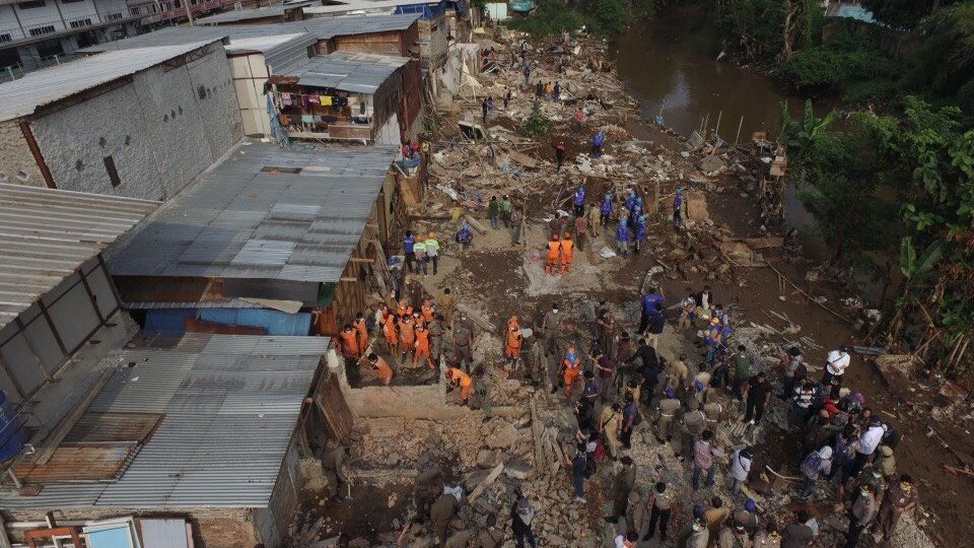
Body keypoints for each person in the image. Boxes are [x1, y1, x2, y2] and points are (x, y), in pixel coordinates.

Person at [873, 474, 917, 547]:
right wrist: (882, 490)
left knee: (892, 521)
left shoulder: (913, 490)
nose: (904, 486)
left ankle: (887, 536)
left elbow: (913, 501)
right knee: (881, 515)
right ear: (900, 481)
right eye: (903, 484)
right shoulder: (893, 479)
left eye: (906, 485)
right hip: (887, 502)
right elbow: (883, 479)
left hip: (898, 508)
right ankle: (877, 528)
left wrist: (904, 508)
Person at [843, 483, 878, 548]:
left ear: (869, 492)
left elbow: (867, 517)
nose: (862, 491)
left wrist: (859, 523)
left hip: (859, 520)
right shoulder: (863, 494)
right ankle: (849, 538)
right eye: (862, 489)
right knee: (851, 530)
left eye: (864, 490)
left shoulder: (869, 503)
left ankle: (849, 546)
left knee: (854, 536)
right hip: (855, 515)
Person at [605, 456, 636, 523]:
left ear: (627, 465)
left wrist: (617, 475)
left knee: (618, 502)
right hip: (627, 488)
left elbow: (623, 483)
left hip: (625, 488)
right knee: (625, 500)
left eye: (623, 465)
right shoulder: (633, 465)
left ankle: (615, 518)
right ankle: (623, 511)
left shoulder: (629, 477)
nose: (622, 466)